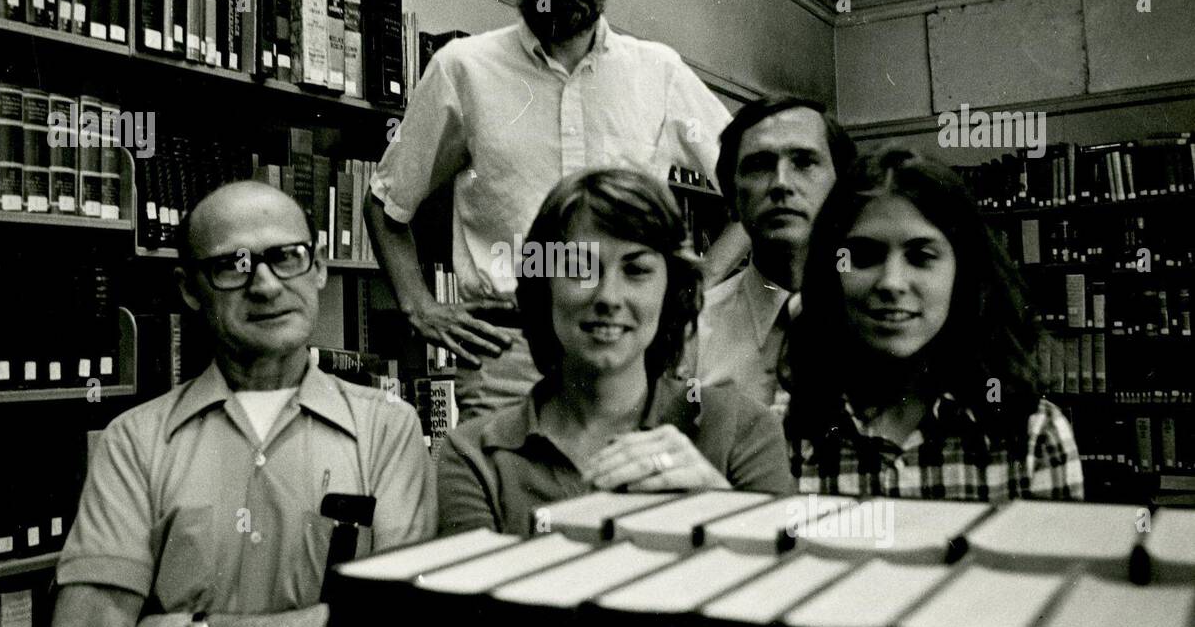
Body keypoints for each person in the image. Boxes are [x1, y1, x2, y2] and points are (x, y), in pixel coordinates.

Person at [366, 0, 751, 420]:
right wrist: (420, 308)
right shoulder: (461, 69)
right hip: (507, 360)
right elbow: (386, 204)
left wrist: (695, 288)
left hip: (633, 353)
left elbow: (752, 195)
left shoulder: (659, 73)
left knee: (629, 502)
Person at [45, 181, 434, 627]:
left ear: (319, 267)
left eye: (288, 257)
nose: (267, 285)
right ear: (189, 288)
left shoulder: (390, 430)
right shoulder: (133, 442)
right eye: (234, 265)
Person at [437, 168, 794, 537]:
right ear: (543, 288)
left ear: (671, 291)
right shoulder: (474, 456)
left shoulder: (743, 429)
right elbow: (469, 596)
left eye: (637, 270)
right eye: (580, 268)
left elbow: (790, 584)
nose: (608, 296)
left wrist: (716, 507)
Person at [782, 146, 1084, 500]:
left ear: (964, 273)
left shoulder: (1035, 436)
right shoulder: (783, 432)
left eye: (922, 256)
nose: (892, 283)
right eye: (863, 257)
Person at [687, 96, 855, 413]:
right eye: (759, 165)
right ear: (732, 199)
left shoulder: (881, 318)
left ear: (842, 187)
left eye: (804, 161)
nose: (781, 183)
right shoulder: (689, 332)